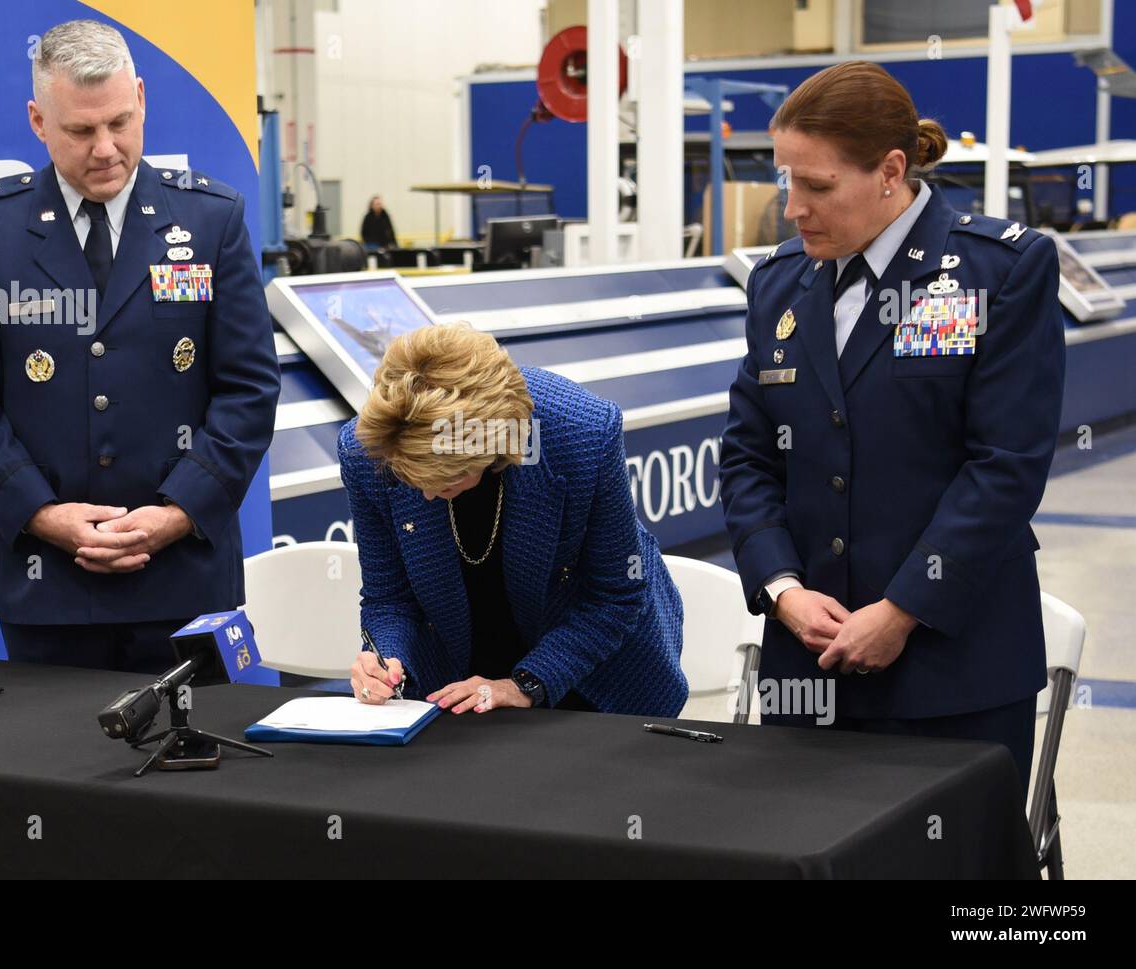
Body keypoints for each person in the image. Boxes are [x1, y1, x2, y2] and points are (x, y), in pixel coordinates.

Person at [719, 61, 1065, 801]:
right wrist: (782, 589)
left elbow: (1004, 465)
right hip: (808, 669)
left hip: (952, 668)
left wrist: (903, 609)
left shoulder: (994, 270)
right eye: (787, 181)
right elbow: (748, 456)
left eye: (816, 186)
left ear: (890, 171)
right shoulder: (778, 283)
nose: (792, 208)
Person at [0, 20, 280, 672]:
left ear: (141, 98)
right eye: (81, 131)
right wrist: (42, 514)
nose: (107, 148)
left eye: (120, 122)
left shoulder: (212, 220)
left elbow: (249, 389)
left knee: (200, 771)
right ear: (38, 120)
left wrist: (176, 512)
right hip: (50, 587)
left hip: (186, 578)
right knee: (53, 772)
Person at [337, 324, 687, 716]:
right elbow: (390, 600)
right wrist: (386, 664)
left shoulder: (583, 433)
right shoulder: (366, 452)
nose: (427, 495)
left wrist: (526, 683)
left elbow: (616, 598)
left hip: (598, 680)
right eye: (410, 478)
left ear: (494, 444)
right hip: (460, 685)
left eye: (446, 478)